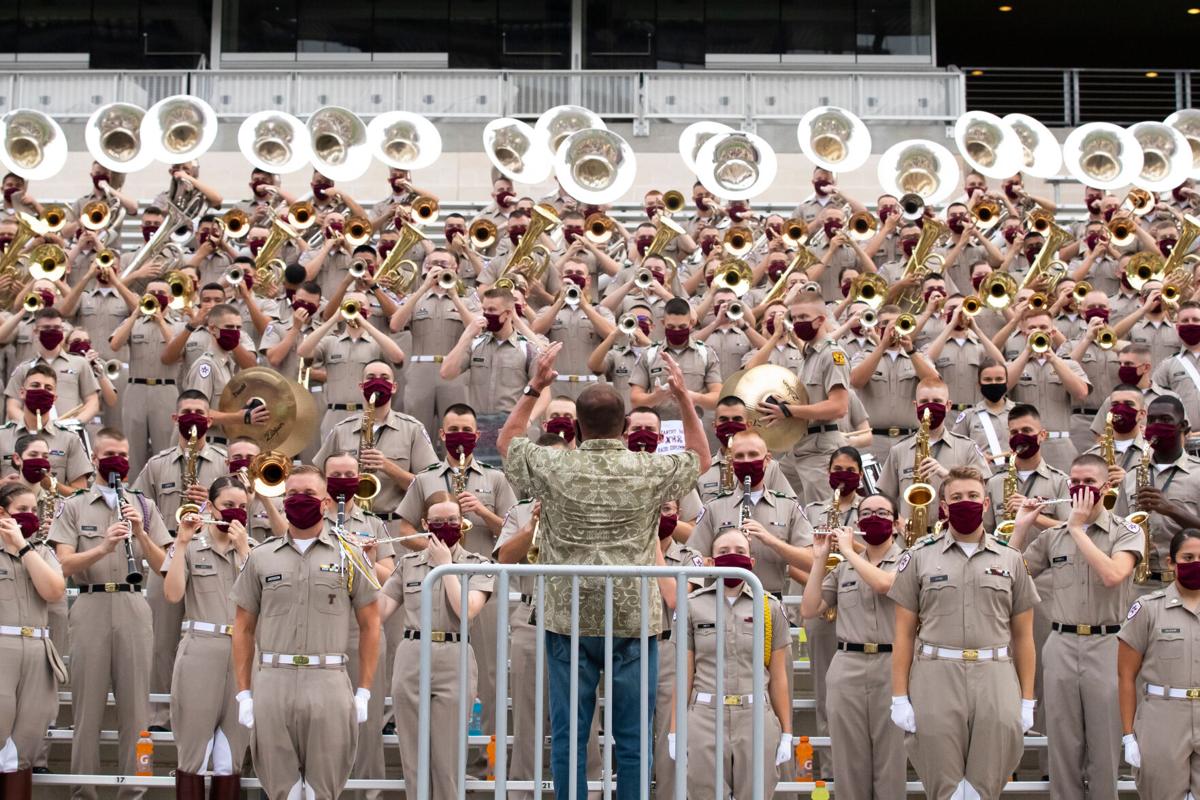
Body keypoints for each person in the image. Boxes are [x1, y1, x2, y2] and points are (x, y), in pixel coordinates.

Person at [498, 342, 710, 800]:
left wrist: (535, 387)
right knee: (633, 739)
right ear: (625, 427)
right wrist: (684, 400)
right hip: (633, 620)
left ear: (575, 427)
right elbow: (701, 459)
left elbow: (506, 442)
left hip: (566, 617)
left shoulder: (554, 461)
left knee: (570, 737)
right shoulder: (648, 468)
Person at [889, 465, 1039, 800]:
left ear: (986, 503)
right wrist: (899, 696)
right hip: (936, 674)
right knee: (945, 788)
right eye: (956, 497)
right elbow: (903, 634)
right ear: (942, 506)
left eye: (973, 496)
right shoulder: (919, 557)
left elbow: (1024, 637)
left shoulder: (1012, 558)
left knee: (985, 787)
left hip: (995, 674)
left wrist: (1027, 699)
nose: (965, 502)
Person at [230, 465, 380, 799]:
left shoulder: (350, 554)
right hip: (273, 679)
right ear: (283, 500)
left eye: (309, 494)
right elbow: (243, 627)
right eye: (293, 494)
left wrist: (365, 690)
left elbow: (371, 624)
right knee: (281, 790)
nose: (300, 500)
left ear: (326, 502)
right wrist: (243, 694)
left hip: (327, 679)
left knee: (321, 791)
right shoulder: (260, 556)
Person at [1008, 454, 1141, 800]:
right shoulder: (1054, 537)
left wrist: (1076, 529)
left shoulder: (1127, 531)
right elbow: (1008, 577)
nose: (1080, 490)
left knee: (1104, 748)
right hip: (1062, 643)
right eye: (1075, 483)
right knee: (1063, 746)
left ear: (1107, 487)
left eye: (1089, 483)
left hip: (1108, 644)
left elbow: (1113, 575)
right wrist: (1022, 527)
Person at [49, 428, 171, 800]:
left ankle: (136, 788)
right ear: (94, 459)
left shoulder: (144, 504)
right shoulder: (75, 504)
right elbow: (63, 565)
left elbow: (166, 565)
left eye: (122, 453)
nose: (116, 460)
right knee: (87, 709)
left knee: (137, 711)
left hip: (134, 605)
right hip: (91, 603)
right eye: (109, 454)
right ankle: (84, 791)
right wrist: (103, 548)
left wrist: (139, 532)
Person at [377, 492, 492, 800]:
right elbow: (379, 612)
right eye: (438, 521)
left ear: (463, 523)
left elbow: (465, 612)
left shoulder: (477, 564)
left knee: (448, 756)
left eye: (452, 520)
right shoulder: (409, 564)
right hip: (413, 653)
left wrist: (446, 566)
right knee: (413, 757)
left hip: (453, 655)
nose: (445, 526)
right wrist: (362, 564)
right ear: (426, 524)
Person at [672, 527, 792, 800]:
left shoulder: (769, 607)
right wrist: (674, 730)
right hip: (705, 715)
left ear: (752, 562)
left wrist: (786, 731)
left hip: (755, 716)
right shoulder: (692, 605)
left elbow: (779, 676)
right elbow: (684, 674)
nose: (733, 557)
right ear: (711, 562)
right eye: (723, 552)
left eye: (740, 552)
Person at [800, 493, 906, 800]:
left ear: (897, 524)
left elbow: (886, 585)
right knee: (848, 764)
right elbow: (809, 608)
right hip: (848, 664)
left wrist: (848, 550)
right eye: (867, 513)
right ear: (857, 522)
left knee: (890, 764)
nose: (875, 518)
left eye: (883, 513)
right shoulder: (845, 568)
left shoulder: (908, 558)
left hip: (891, 665)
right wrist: (821, 558)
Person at [162, 476, 253, 799]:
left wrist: (244, 552)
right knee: (194, 750)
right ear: (211, 506)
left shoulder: (254, 552)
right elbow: (172, 595)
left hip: (242, 652)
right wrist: (182, 543)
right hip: (201, 645)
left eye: (242, 507)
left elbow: (260, 602)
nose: (235, 513)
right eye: (228, 506)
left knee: (231, 755)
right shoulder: (191, 546)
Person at [1118, 527, 1200, 800]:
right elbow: (1126, 676)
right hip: (1163, 717)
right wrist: (1129, 734)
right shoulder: (1148, 608)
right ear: (1171, 563)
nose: (1195, 564)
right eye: (1187, 558)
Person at [0, 483, 66, 800]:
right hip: (3, 649)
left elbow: (54, 592)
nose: (29, 517)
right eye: (21, 511)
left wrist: (24, 549)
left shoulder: (41, 552)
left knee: (24, 746)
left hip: (38, 651)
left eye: (32, 511)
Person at [1115, 396, 1200, 589]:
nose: (1157, 425)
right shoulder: (1131, 477)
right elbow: (1116, 529)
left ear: (1183, 426)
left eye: (1166, 419)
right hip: (1139, 584)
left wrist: (1171, 509)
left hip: (1190, 583)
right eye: (1152, 420)